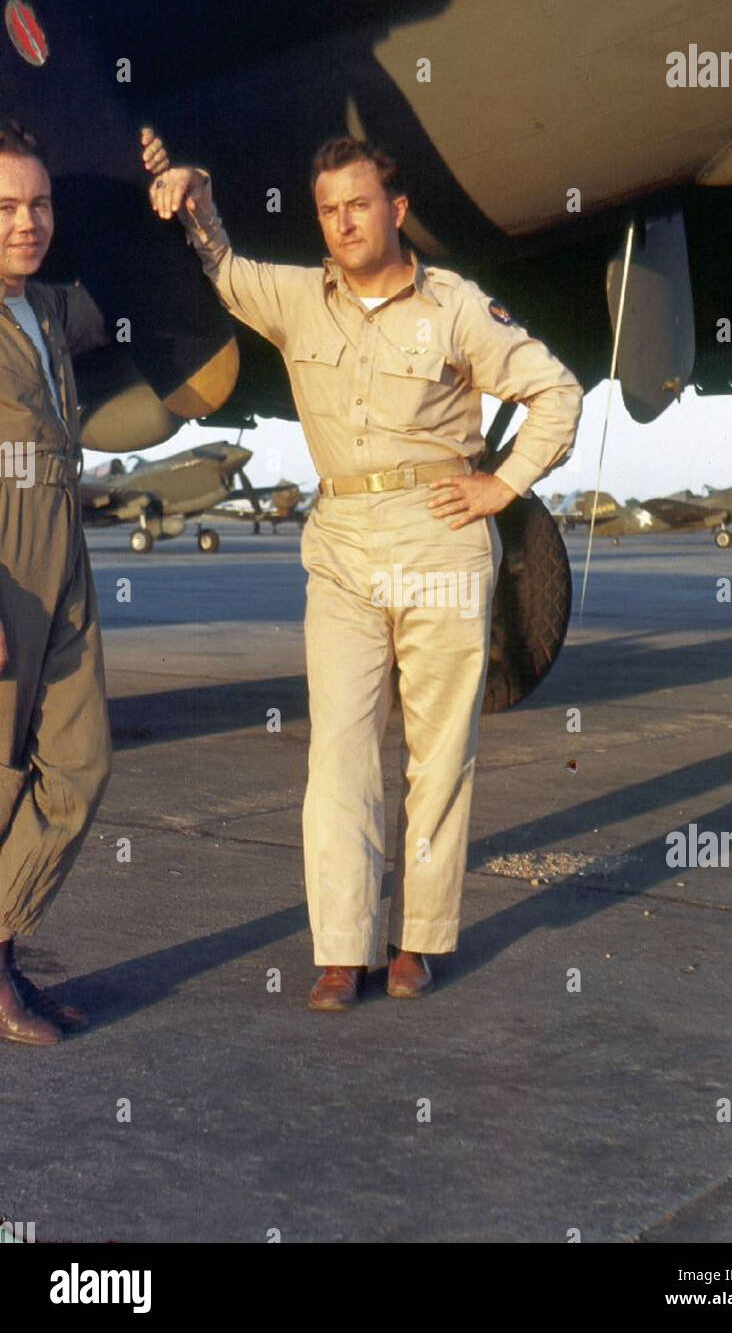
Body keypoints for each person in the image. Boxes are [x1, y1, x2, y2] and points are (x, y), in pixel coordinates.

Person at [142, 128, 582, 1010]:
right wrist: (190, 195)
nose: (344, 224)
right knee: (338, 754)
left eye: (359, 206)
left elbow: (556, 393)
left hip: (439, 537)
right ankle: (341, 951)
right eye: (329, 211)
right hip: (341, 541)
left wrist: (500, 486)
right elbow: (226, 267)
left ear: (397, 211)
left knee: (438, 754)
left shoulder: (454, 306)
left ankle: (418, 941)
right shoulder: (300, 298)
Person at [0, 121, 164, 1044]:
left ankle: (1, 943)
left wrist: (162, 191)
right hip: (3, 557)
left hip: (63, 550)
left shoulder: (46, 309)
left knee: (80, 757)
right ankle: (2, 977)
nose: (27, 223)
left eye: (40, 204)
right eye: (6, 207)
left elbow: (133, 287)